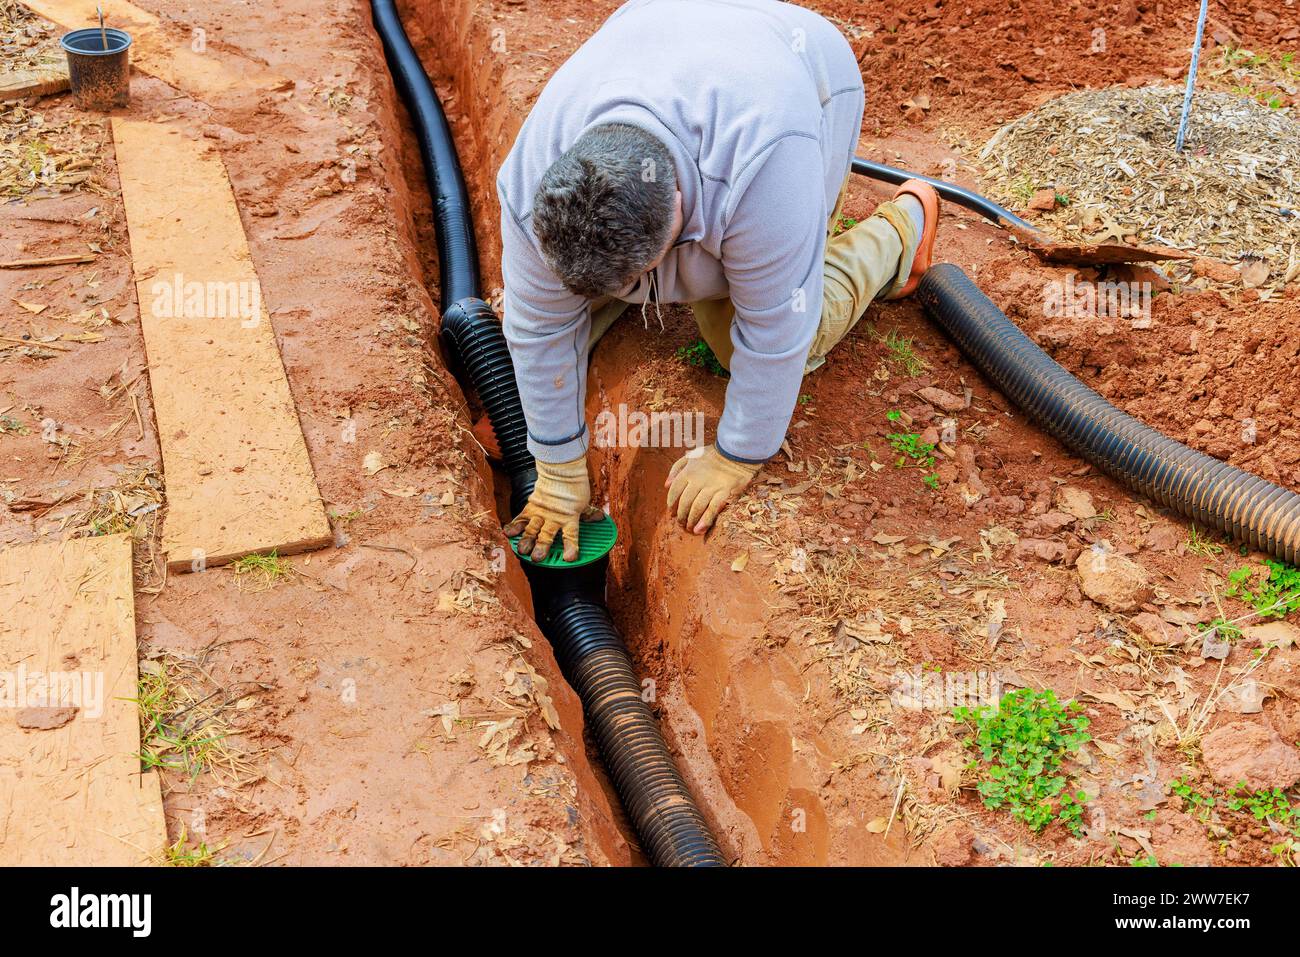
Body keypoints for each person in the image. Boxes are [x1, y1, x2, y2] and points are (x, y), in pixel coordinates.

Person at [497, 0, 939, 562]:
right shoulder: (534, 180)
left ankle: (901, 228)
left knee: (738, 338)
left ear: (678, 213)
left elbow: (777, 328)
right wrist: (558, 475)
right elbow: (538, 326)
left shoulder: (765, 170)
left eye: (639, 278)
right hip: (677, 35)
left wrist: (737, 455)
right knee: (547, 306)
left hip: (809, 77)